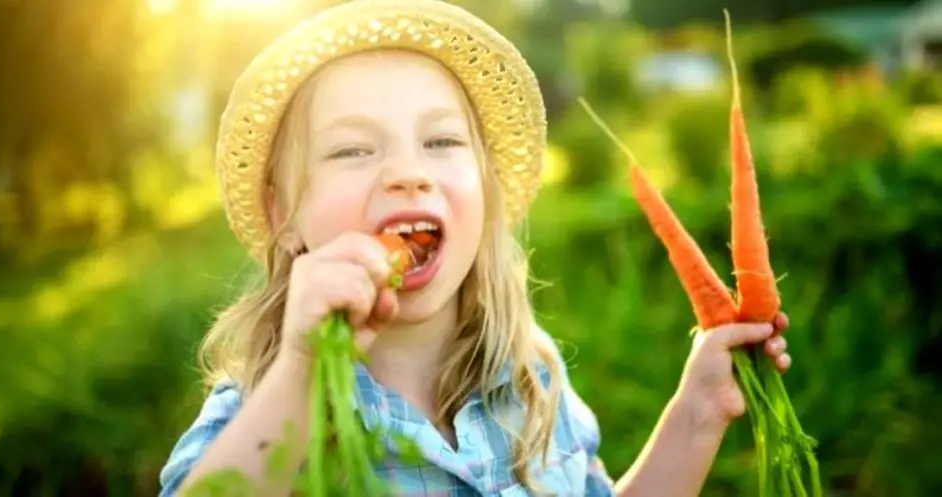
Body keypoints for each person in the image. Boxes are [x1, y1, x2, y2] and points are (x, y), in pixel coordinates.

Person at [158, 0, 793, 495]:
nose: (409, 172)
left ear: (483, 193)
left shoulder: (530, 381)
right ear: (283, 214)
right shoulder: (259, 416)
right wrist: (302, 370)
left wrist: (699, 412)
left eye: (441, 143)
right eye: (353, 149)